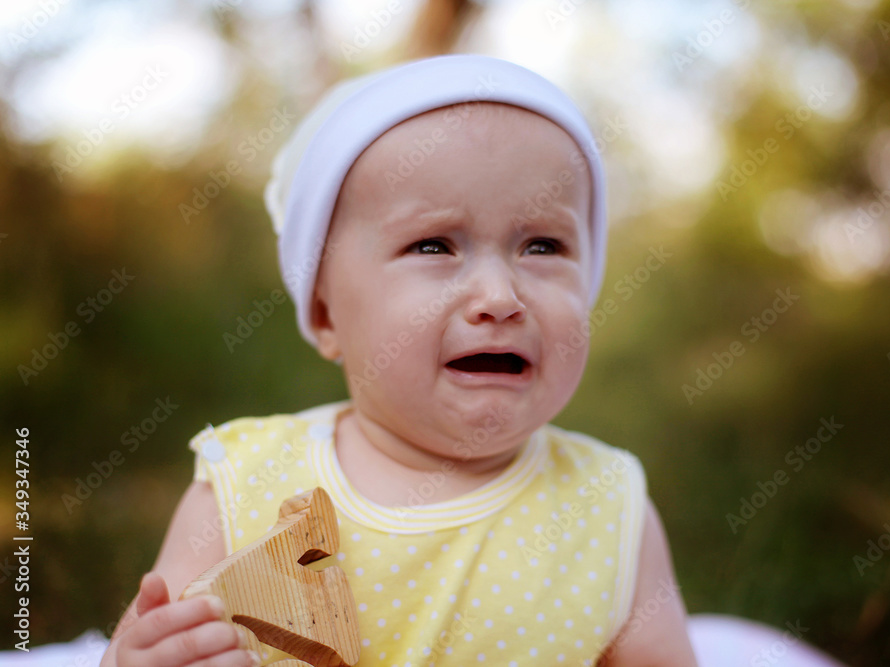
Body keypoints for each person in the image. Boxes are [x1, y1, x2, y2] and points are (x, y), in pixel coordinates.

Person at [101, 53, 698, 667]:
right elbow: (150, 644)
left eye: (543, 245)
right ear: (328, 315)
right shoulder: (244, 485)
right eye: (434, 245)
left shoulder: (607, 507)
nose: (499, 297)